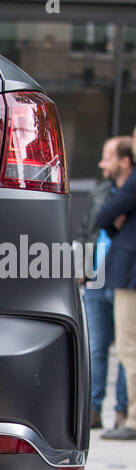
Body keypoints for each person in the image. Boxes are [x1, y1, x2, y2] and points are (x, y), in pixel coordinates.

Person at [83, 137, 130, 428]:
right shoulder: (101, 192)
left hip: (126, 278)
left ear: (124, 161)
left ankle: (123, 411)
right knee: (97, 348)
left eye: (107, 158)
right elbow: (85, 230)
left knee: (127, 349)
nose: (101, 164)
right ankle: (93, 411)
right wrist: (80, 268)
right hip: (97, 280)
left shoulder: (132, 193)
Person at [98, 139, 136, 440]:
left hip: (130, 274)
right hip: (120, 274)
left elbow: (103, 215)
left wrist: (116, 227)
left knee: (128, 348)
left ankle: (133, 419)